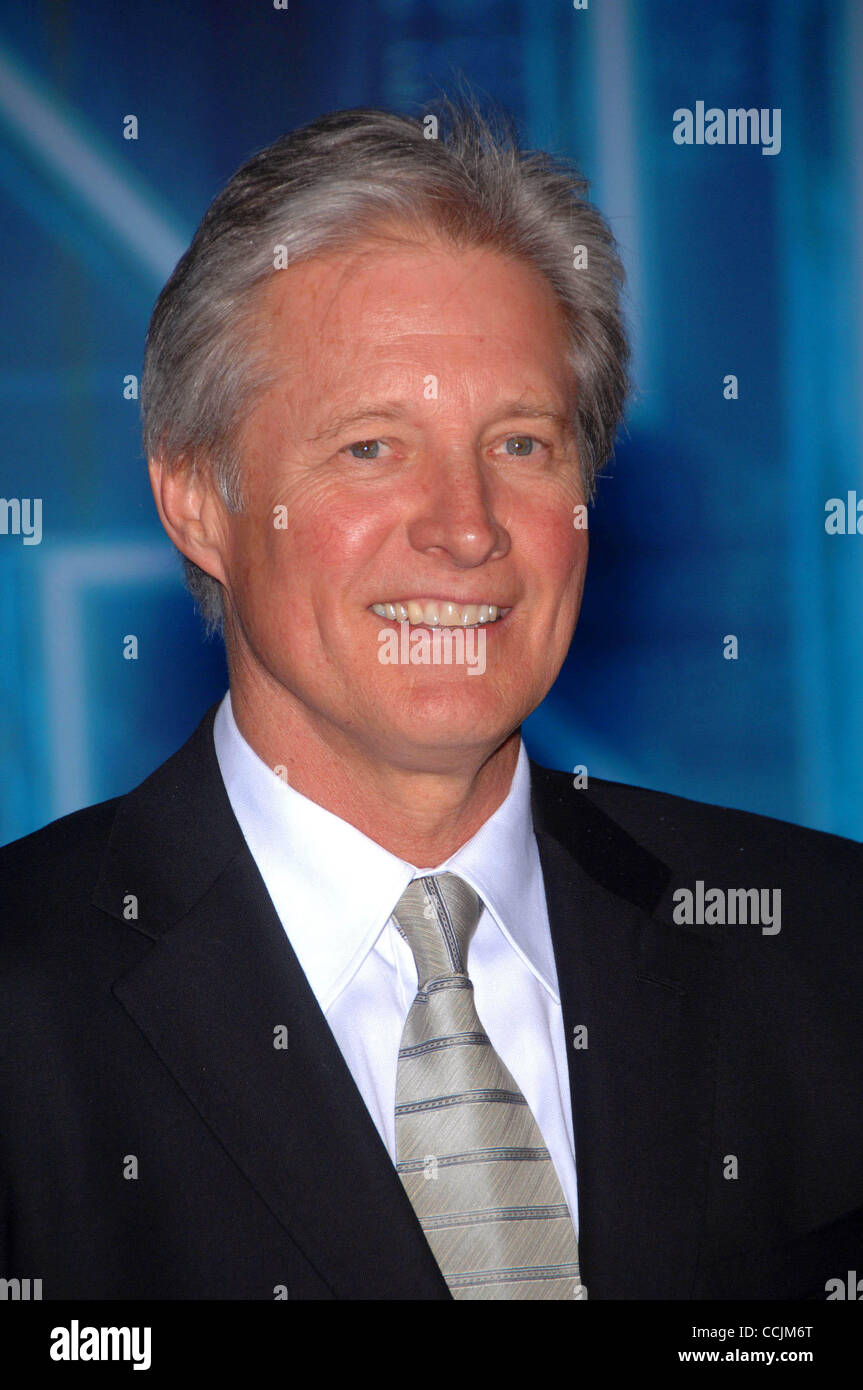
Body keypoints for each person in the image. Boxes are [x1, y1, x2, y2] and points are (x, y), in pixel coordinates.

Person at [1, 100, 861, 1302]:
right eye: (370, 447)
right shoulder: (24, 1003)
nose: (464, 529)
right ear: (199, 501)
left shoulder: (826, 947)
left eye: (520, 445)